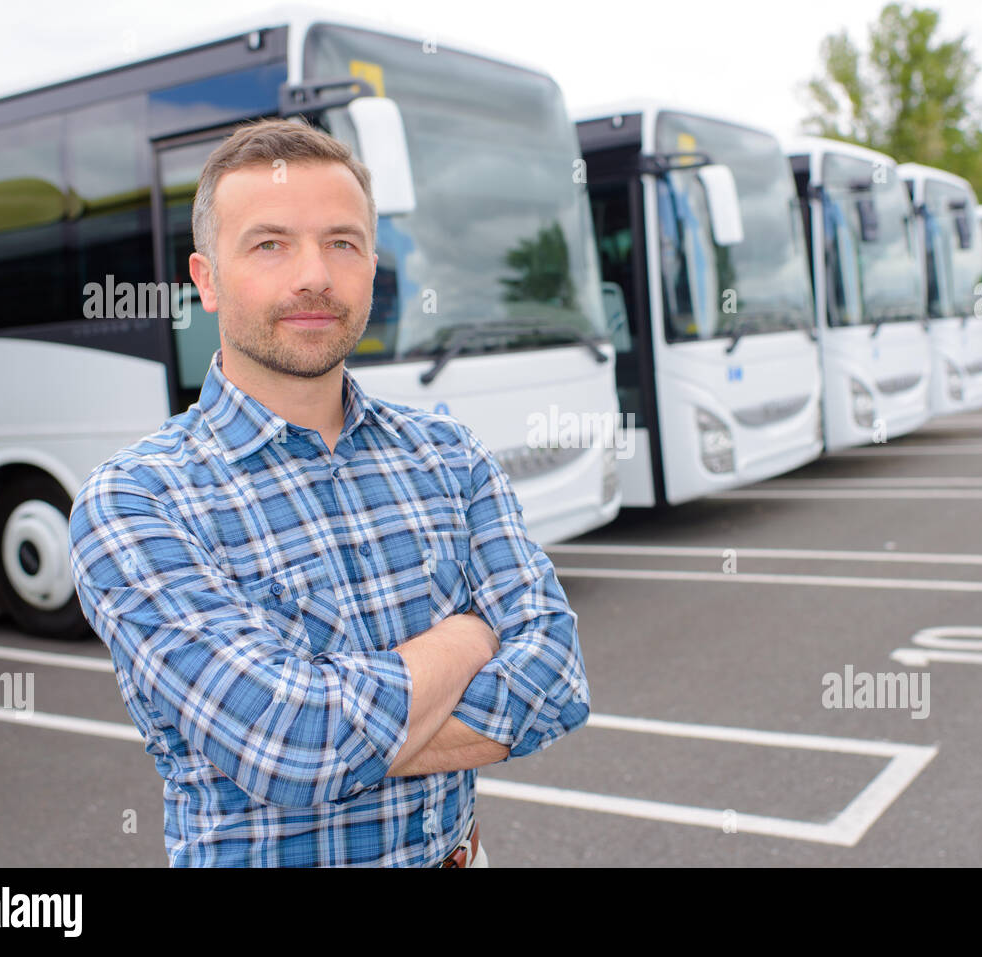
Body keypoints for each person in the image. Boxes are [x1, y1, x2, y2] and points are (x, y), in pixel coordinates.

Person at [67, 118, 590, 867]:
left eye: (341, 242)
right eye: (270, 243)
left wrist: (335, 730)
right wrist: (470, 637)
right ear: (207, 278)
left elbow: (559, 679)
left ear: (372, 265)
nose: (313, 274)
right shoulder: (137, 502)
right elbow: (292, 744)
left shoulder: (449, 455)